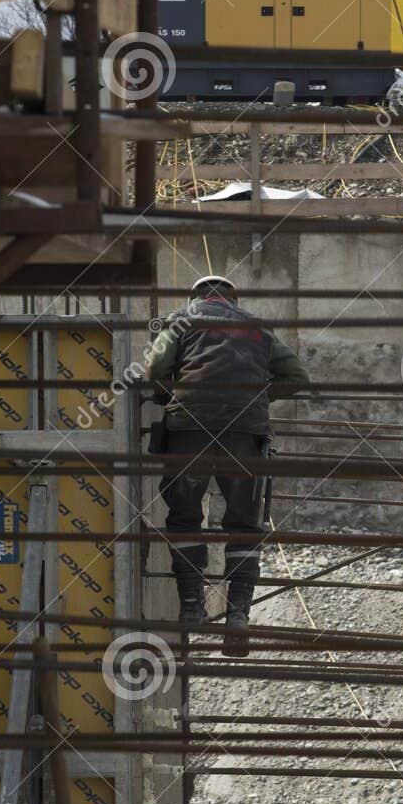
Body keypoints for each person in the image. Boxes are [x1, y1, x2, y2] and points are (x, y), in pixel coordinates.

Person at [146, 274, 309, 655]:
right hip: (244, 433)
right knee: (245, 525)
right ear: (232, 300)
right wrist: (258, 397)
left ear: (196, 297)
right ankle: (237, 617)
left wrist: (169, 394)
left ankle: (191, 608)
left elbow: (154, 370)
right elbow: (297, 376)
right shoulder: (257, 327)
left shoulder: (182, 320)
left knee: (184, 517)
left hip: (189, 429)